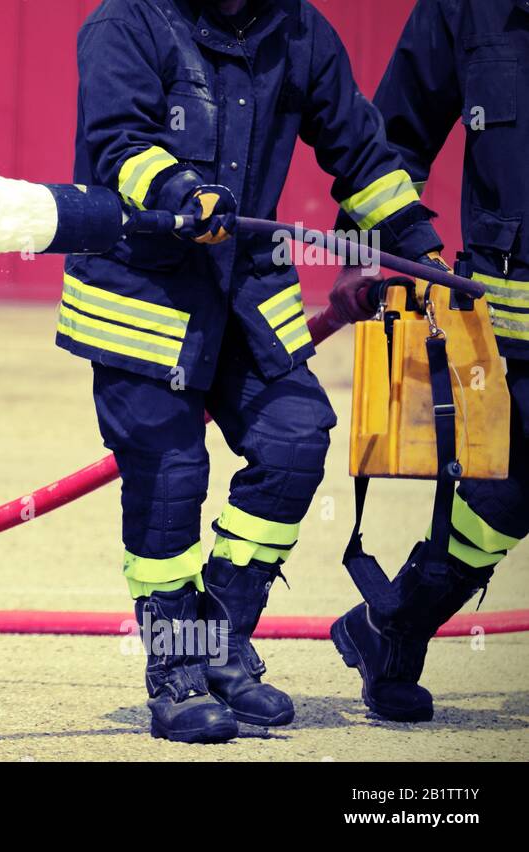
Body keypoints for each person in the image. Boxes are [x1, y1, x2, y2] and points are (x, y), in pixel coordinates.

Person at [66, 0, 446, 742]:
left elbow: (363, 155)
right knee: (171, 475)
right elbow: (119, 141)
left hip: (242, 296)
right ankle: (175, 672)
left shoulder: (298, 28)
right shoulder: (126, 22)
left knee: (298, 439)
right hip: (144, 301)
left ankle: (223, 641)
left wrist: (415, 243)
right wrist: (181, 193)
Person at [327, 0, 529, 722]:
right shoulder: (466, 8)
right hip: (509, 325)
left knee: (508, 498)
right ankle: (394, 628)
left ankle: (390, 628)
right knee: (504, 499)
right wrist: (364, 253)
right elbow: (395, 136)